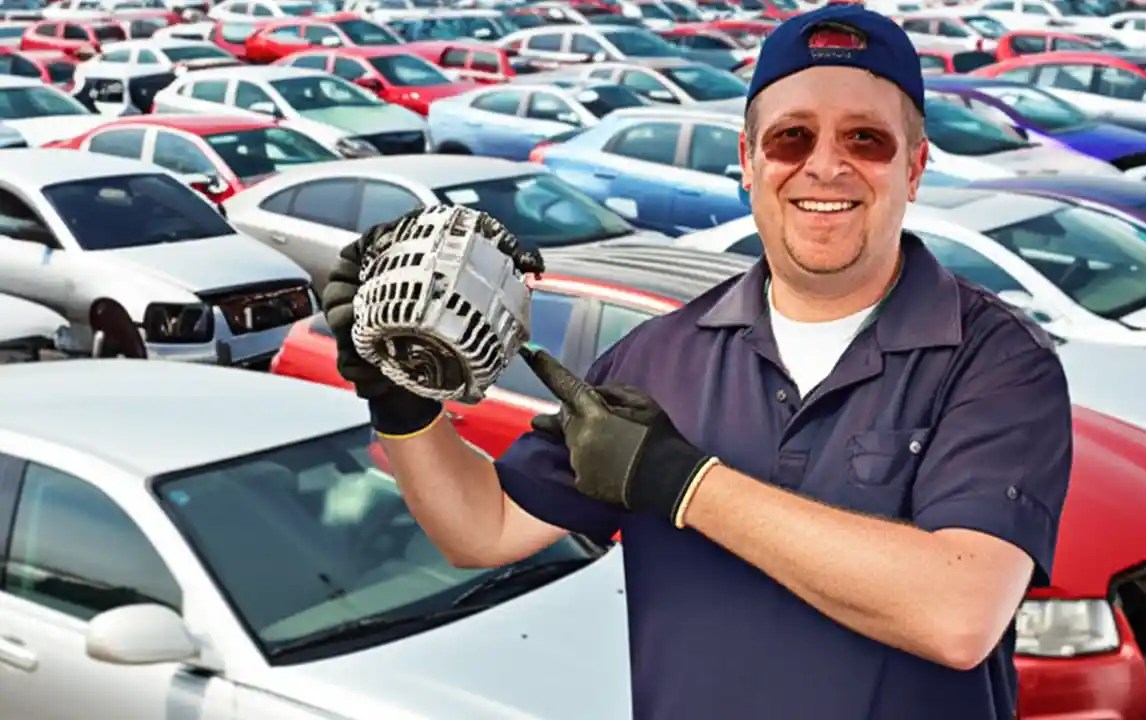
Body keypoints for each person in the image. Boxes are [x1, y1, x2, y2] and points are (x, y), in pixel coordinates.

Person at [321, 5, 1074, 719]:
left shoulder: (998, 361)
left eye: (866, 140)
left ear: (914, 167)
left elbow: (958, 613)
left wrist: (685, 484)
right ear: (748, 161)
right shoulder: (657, 357)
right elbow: (481, 528)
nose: (825, 167)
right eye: (792, 138)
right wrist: (400, 399)